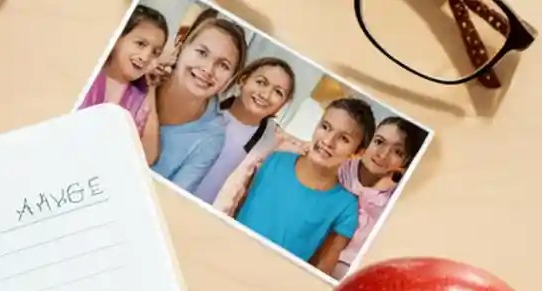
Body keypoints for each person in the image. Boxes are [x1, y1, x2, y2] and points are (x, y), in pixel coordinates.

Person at [232, 98, 376, 275]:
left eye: (344, 139)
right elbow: (237, 207)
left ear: (357, 153)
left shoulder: (346, 207)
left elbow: (321, 270)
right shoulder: (274, 160)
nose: (328, 141)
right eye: (325, 127)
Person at [149, 16, 247, 194]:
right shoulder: (143, 73)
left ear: (231, 79)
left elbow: (171, 197)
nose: (208, 69)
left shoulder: (211, 137)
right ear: (182, 46)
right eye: (202, 52)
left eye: (223, 65)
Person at [329, 116, 428, 278]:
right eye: (379, 142)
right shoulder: (338, 167)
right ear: (368, 139)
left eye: (398, 152)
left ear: (406, 161)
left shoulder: (399, 197)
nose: (383, 154)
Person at [192, 57, 297, 205]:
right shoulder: (202, 107)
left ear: (284, 104)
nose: (265, 95)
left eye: (278, 92)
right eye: (261, 82)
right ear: (243, 80)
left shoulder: (273, 143)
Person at [79, 6, 169, 163]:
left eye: (155, 52)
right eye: (140, 44)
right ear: (117, 37)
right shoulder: (89, 69)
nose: (145, 57)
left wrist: (151, 87)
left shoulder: (141, 97)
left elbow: (148, 157)